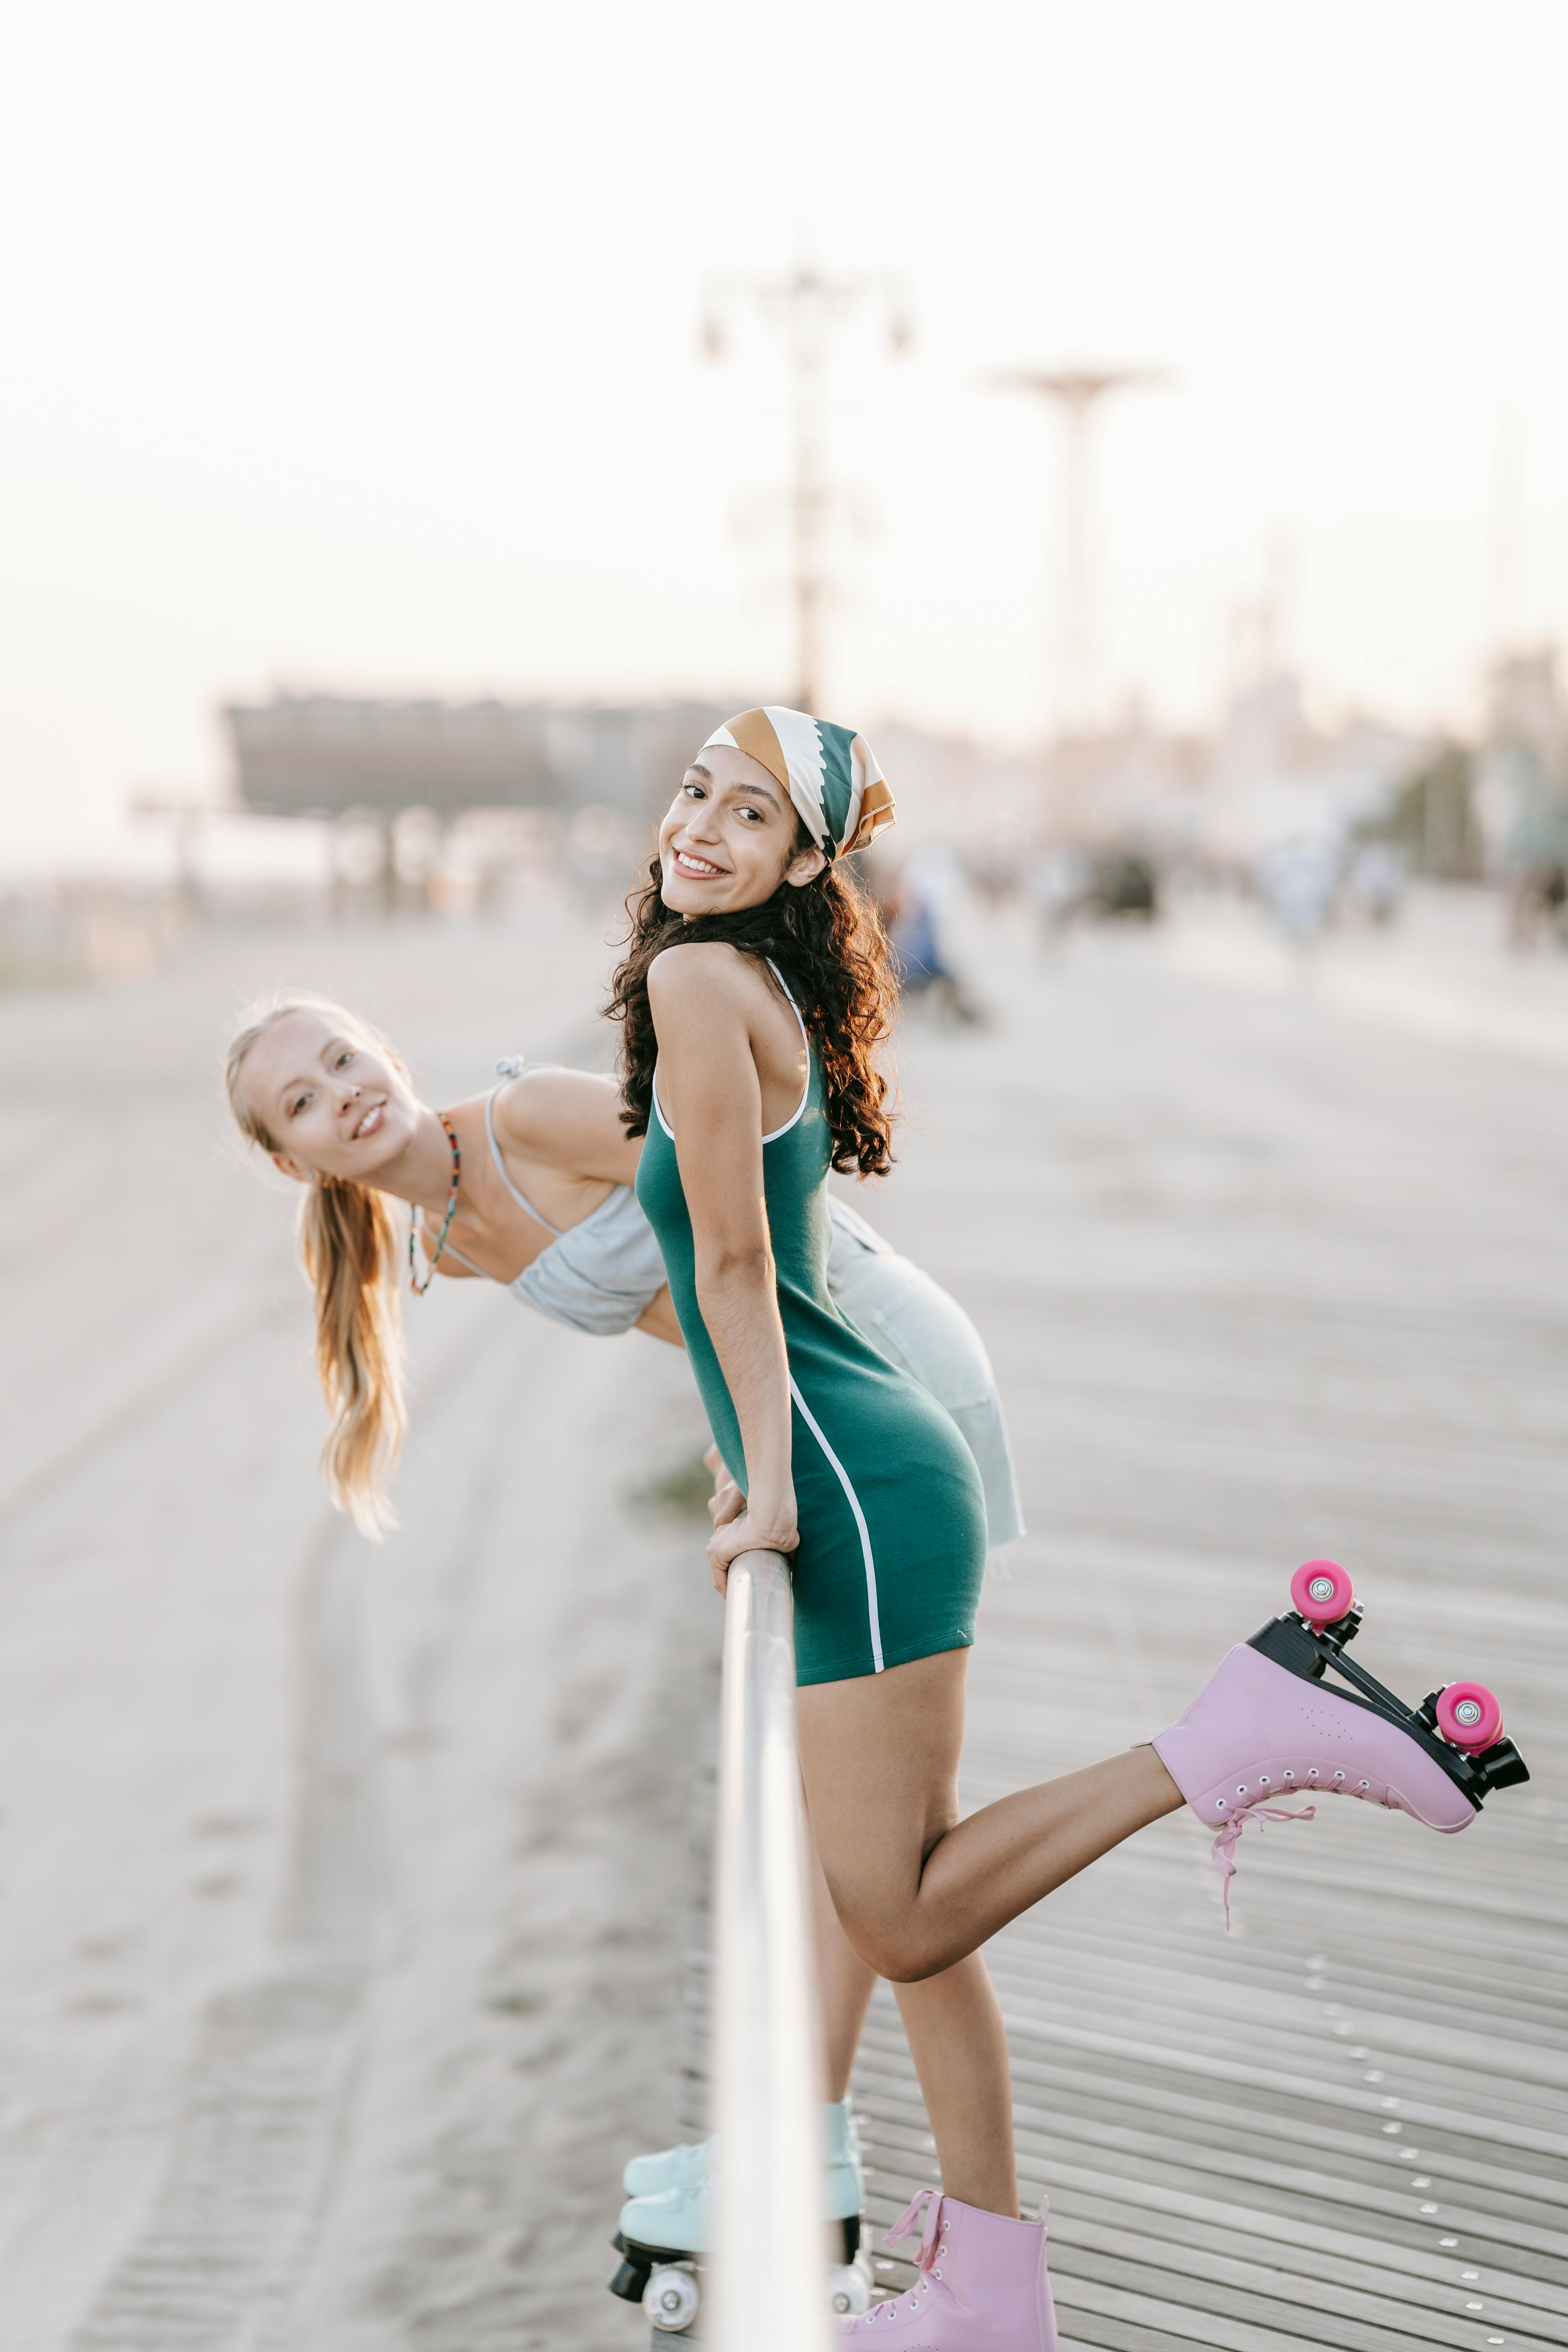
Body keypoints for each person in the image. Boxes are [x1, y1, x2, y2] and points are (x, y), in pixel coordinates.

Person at [614, 705, 1523, 2348]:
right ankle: (991, 2295)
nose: (701, 830)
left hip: (852, 1487)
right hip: (872, 1469)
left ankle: (1231, 1734)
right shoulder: (740, 981)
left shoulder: (697, 980)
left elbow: (742, 1274)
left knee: (891, 1910)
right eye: (695, 794)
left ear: (804, 863)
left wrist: (757, 1483)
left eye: (746, 817)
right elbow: (734, 1271)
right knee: (923, 1897)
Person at [223, 984, 1024, 2276]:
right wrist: (747, 1435)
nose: (344, 1093)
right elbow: (682, 1308)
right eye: (303, 1102)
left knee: (892, 1865)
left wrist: (770, 1442)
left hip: (869, 1364)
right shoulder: (447, 1240)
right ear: (290, 1159)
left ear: (384, 1041)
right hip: (804, 1408)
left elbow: (753, 1225)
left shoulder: (531, 1113)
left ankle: (901, 2204)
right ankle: (806, 2148)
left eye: (341, 1057)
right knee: (867, 1855)